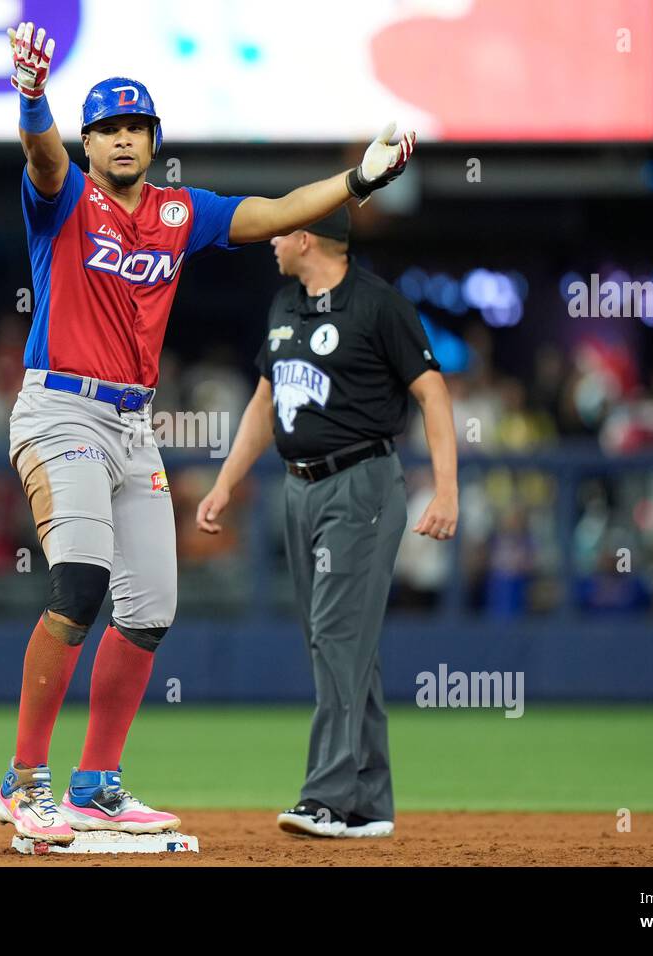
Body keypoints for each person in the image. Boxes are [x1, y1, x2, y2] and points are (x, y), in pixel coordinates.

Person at [0, 20, 418, 845]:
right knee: (79, 585)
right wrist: (32, 96)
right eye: (108, 129)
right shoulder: (66, 197)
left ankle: (97, 785)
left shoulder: (181, 211)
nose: (122, 140)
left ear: (153, 141)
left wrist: (357, 180)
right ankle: (24, 780)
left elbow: (281, 211)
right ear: (90, 144)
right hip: (60, 409)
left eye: (135, 128)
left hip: (132, 424)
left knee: (149, 609)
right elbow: (40, 157)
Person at [195, 206, 458, 838]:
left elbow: (433, 393)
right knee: (342, 644)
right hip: (299, 486)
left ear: (307, 237)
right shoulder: (285, 305)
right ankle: (367, 801)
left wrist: (447, 490)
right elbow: (266, 400)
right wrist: (227, 482)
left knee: (337, 639)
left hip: (359, 481)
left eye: (283, 229)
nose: (272, 238)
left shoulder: (378, 304)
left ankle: (327, 797)